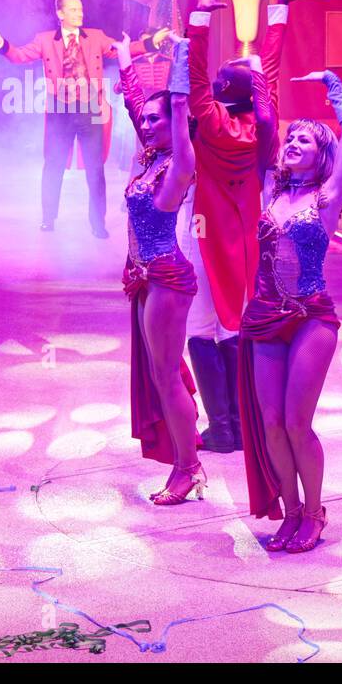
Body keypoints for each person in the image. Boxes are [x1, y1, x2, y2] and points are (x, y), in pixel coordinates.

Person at [167, 0, 314, 454]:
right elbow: (268, 72)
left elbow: (192, 74)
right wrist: (280, 12)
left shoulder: (209, 121)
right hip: (249, 235)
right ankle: (243, 423)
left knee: (199, 326)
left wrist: (201, 19)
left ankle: (224, 427)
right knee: (235, 322)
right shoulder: (264, 128)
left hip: (203, 230)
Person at [239, 71, 342, 554]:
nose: (291, 144)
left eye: (303, 140)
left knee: (295, 422)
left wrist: (334, 87)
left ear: (320, 155)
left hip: (311, 316)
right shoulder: (270, 190)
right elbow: (266, 125)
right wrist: (259, 80)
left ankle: (314, 512)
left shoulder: (327, 198)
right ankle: (289, 511)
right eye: (291, 138)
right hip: (267, 315)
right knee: (270, 422)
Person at [0, 0, 164, 238]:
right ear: (60, 14)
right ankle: (48, 218)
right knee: (53, 166)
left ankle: (97, 224)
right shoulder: (45, 39)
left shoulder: (96, 37)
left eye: (80, 9)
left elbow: (125, 50)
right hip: (60, 109)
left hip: (90, 109)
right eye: (73, 10)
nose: (79, 14)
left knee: (95, 169)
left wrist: (151, 42)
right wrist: (0, 43)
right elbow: (18, 56)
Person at [116, 36, 201, 504]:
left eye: (156, 119)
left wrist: (184, 50)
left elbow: (181, 107)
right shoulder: (151, 157)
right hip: (144, 278)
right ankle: (187, 463)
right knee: (159, 374)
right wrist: (126, 57)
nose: (146, 125)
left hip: (166, 277)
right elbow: (135, 105)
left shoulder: (180, 163)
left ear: (177, 124)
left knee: (166, 377)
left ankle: (187, 469)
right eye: (144, 120)